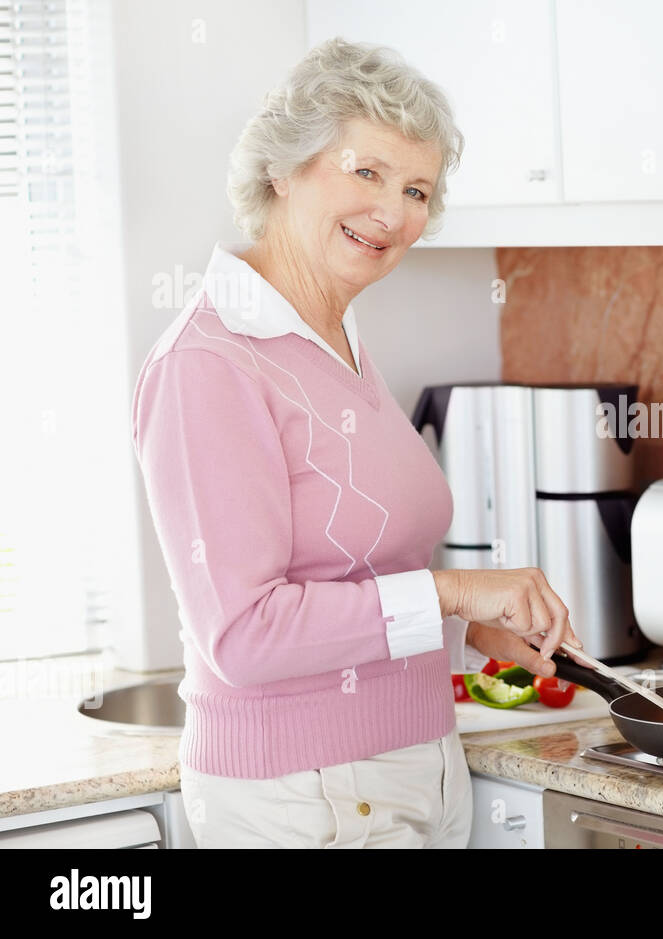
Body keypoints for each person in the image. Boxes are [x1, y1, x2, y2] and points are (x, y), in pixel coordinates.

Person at [131, 37, 580, 848]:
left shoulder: (332, 339)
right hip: (307, 799)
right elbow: (245, 634)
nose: (394, 211)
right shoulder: (209, 362)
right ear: (285, 167)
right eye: (365, 172)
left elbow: (358, 575)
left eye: (416, 188)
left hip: (411, 767)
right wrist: (455, 594)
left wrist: (474, 632)